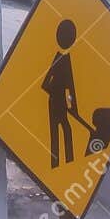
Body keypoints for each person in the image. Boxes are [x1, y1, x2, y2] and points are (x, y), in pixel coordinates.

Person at [43, 19, 79, 168]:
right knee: (58, 133)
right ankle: (57, 164)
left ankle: (67, 163)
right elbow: (45, 84)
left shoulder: (65, 58)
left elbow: (71, 88)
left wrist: (73, 106)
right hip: (55, 102)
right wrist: (56, 94)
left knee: (66, 130)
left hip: (60, 103)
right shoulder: (59, 58)